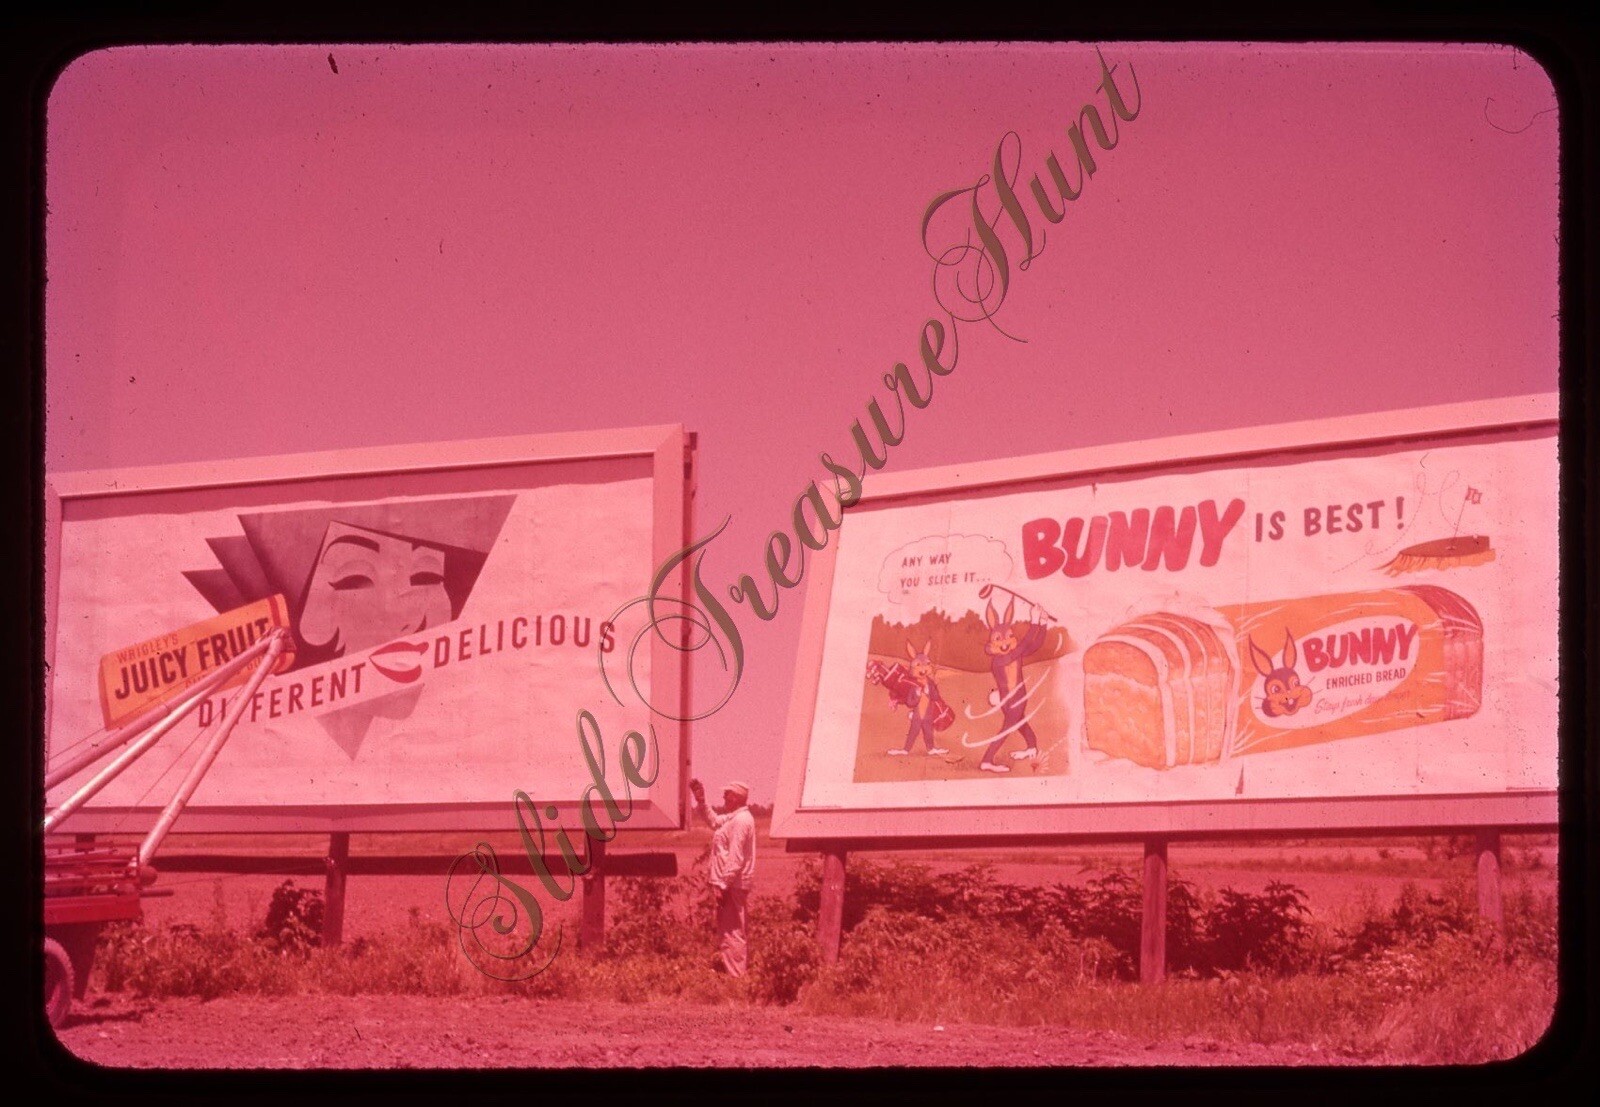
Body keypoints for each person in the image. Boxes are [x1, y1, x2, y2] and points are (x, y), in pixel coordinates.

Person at [689, 777, 755, 977]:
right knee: (729, 929)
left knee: (733, 931)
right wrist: (701, 801)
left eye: (727, 793)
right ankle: (734, 974)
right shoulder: (734, 817)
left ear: (736, 797)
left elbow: (736, 858)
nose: (724, 796)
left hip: (732, 885)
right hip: (730, 884)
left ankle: (737, 978)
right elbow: (715, 821)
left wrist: (723, 885)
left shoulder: (741, 821)